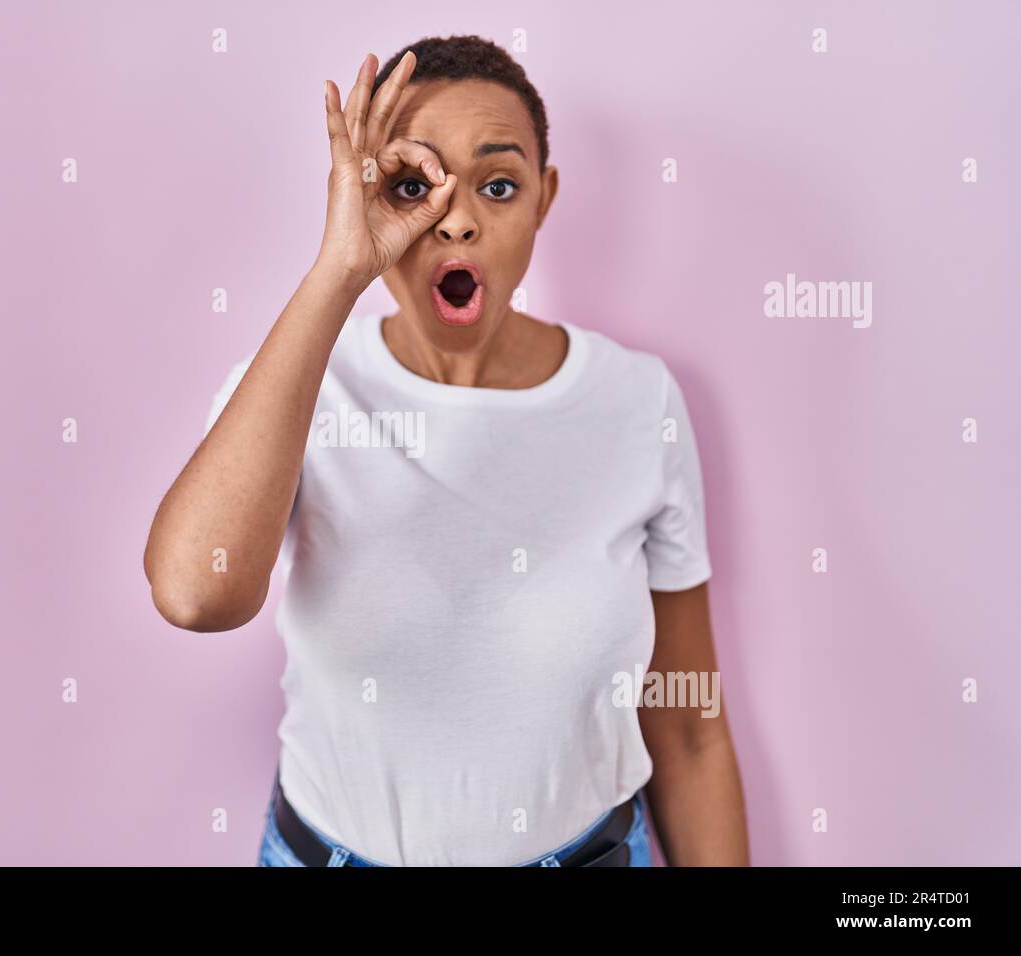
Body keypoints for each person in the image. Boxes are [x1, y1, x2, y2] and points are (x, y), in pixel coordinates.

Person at [144, 35, 750, 867]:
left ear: (545, 200)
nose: (458, 218)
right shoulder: (299, 386)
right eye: (411, 186)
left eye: (499, 186)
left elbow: (687, 728)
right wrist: (339, 268)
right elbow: (193, 594)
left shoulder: (638, 403)